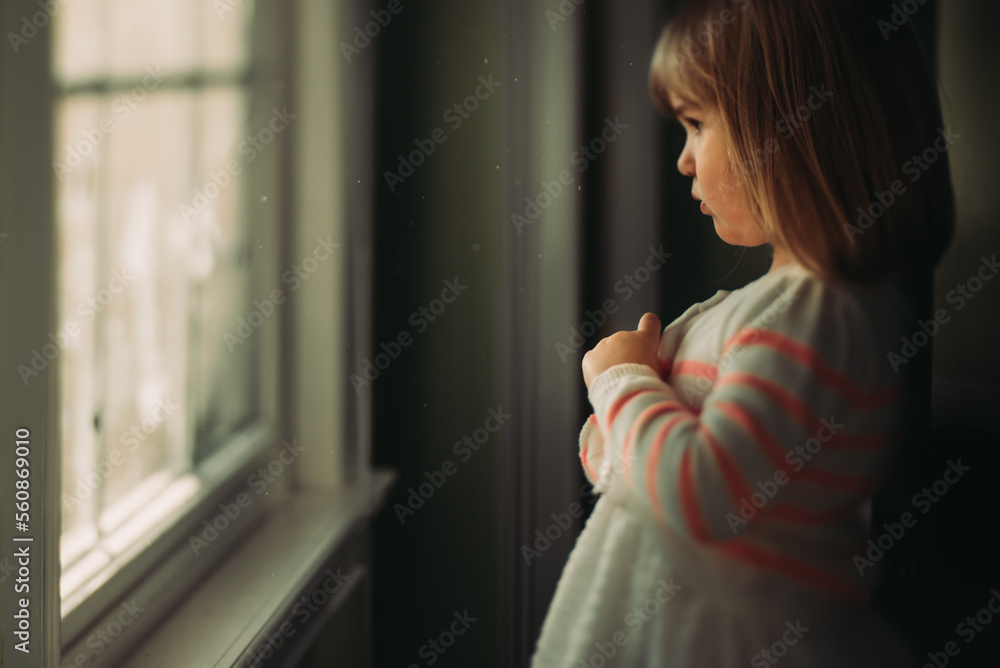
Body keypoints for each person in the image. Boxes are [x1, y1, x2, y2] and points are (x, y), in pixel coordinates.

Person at [530, 0, 954, 666]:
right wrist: (633, 413)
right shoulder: (766, 309)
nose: (684, 162)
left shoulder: (813, 315)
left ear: (793, 129)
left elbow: (701, 496)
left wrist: (621, 380)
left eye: (697, 125)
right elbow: (628, 475)